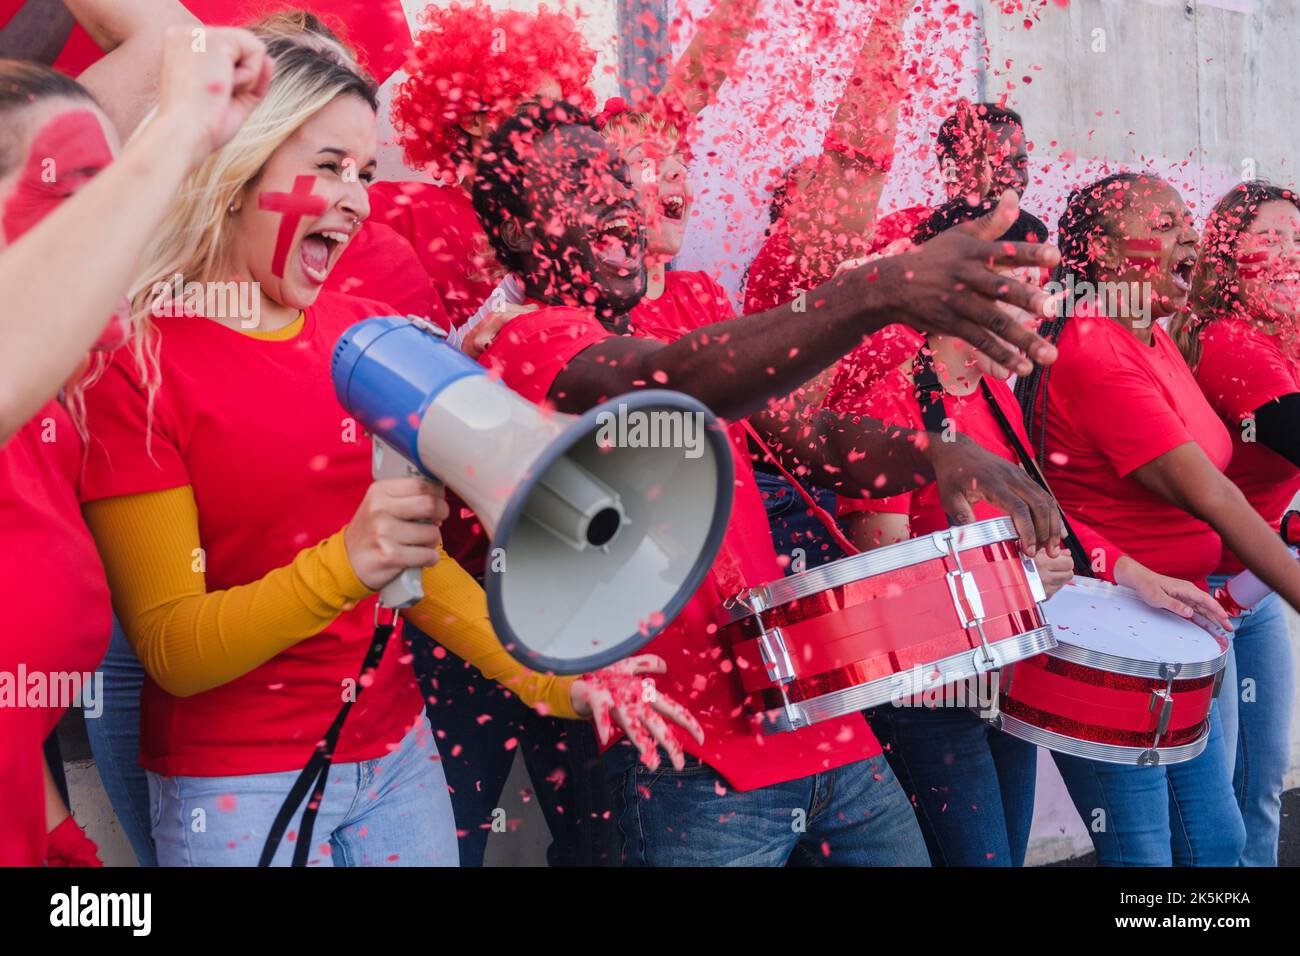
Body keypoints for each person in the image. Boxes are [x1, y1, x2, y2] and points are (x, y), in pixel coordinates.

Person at [76, 39, 692, 867]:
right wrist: (350, 560)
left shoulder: (363, 334)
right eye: (328, 166)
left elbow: (413, 565)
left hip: (398, 760)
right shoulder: (137, 364)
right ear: (238, 167)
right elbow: (173, 654)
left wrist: (553, 682)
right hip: (240, 789)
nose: (356, 200)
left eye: (364, 173)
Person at [470, 99, 1069, 866]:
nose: (623, 194)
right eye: (584, 182)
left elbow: (811, 438)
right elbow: (681, 384)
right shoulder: (523, 344)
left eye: (624, 176)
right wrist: (875, 290)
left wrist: (933, 452)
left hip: (819, 717)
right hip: (684, 759)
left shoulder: (695, 299)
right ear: (520, 231)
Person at [830, 197, 1232, 865]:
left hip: (1002, 673)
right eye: (1023, 293)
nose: (1042, 314)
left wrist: (1136, 576)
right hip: (936, 701)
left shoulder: (993, 394)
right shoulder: (890, 403)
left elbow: (1049, 524)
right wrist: (1012, 581)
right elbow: (883, 600)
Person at [0, 26, 270, 866]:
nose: (115, 321)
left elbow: (168, 43)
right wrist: (182, 130)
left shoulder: (47, 423)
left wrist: (52, 835)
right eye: (77, 210)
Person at [1016, 171, 1300, 865]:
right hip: (1116, 634)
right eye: (1167, 224)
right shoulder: (1093, 348)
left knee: (1219, 838)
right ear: (1104, 253)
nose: (1191, 234)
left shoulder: (1147, 332)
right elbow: (1218, 497)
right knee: (1154, 855)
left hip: (1182, 623)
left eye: (1188, 221)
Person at [1168, 181, 1300, 866]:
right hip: (1198, 592)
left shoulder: (1286, 336)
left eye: (1297, 240)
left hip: (1258, 585)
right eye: (1267, 238)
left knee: (1264, 778)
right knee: (1214, 799)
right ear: (1227, 253)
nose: (1287, 255)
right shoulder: (1229, 341)